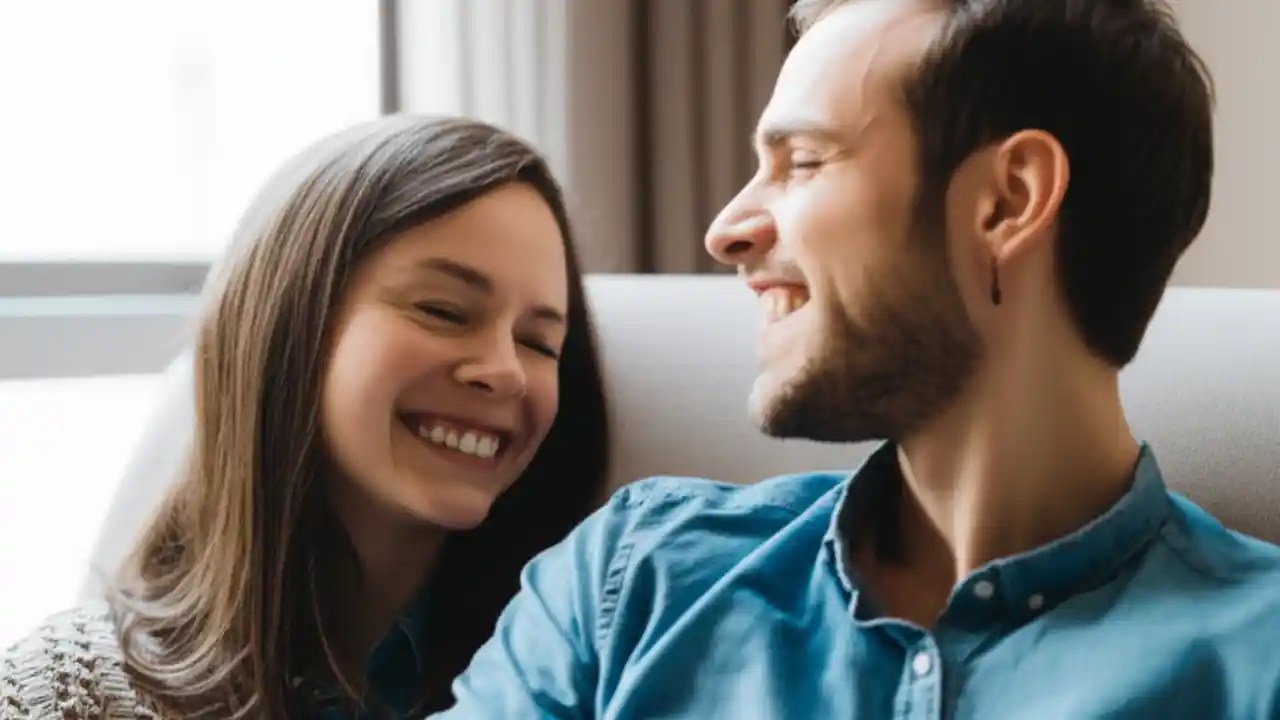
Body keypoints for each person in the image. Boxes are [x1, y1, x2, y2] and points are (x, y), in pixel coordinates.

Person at [436, 1, 1280, 718]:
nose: (726, 230)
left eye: (802, 162)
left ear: (1005, 202)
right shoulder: (635, 580)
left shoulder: (1258, 658)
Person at [0, 115, 610, 718]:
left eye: (539, 343)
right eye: (443, 310)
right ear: (288, 329)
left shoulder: (599, 677)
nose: (504, 370)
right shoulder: (65, 696)